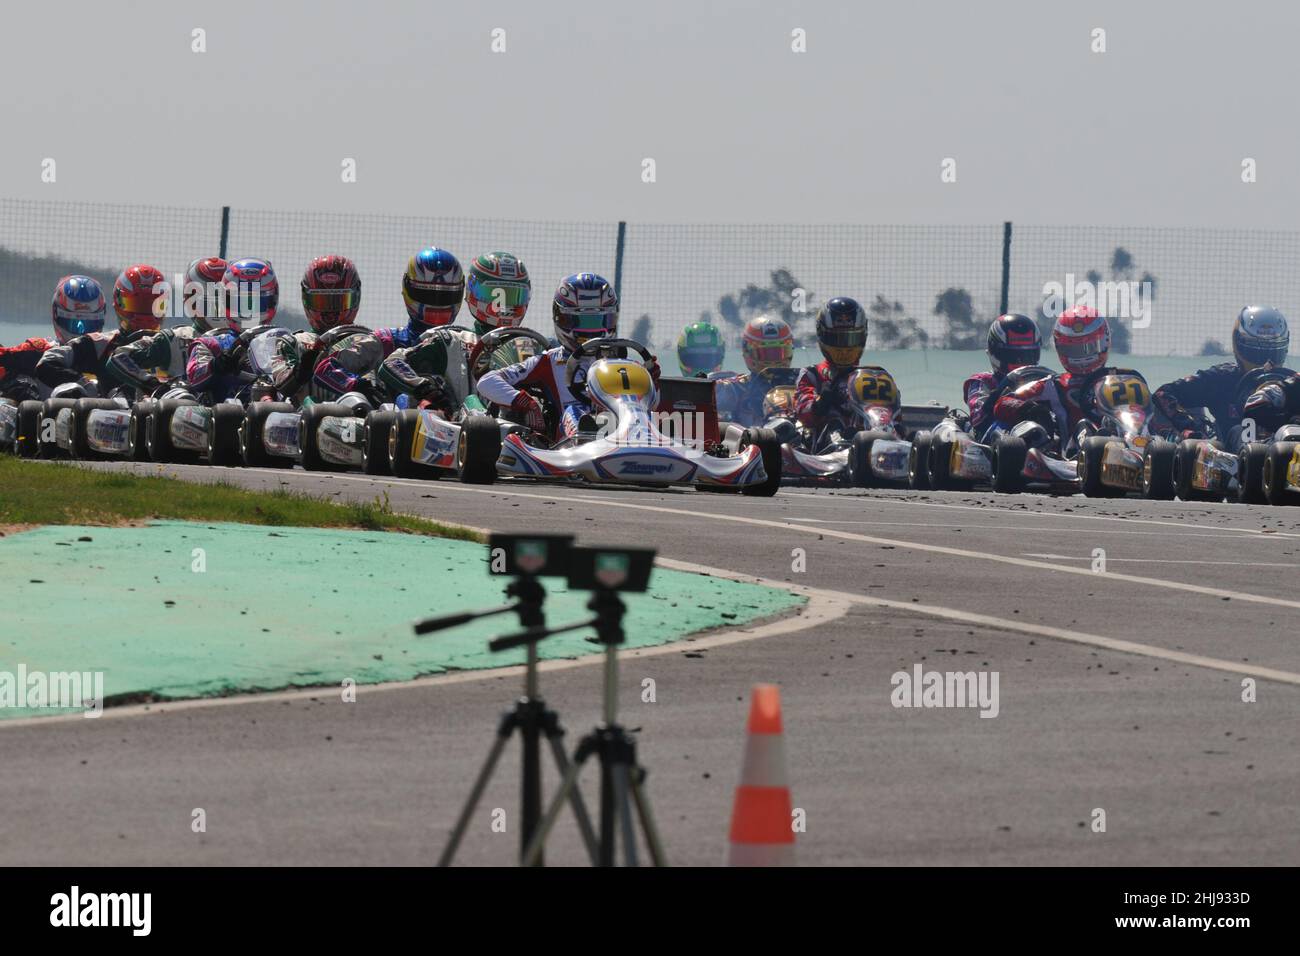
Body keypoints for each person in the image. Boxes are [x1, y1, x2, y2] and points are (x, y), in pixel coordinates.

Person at [476, 272, 659, 439]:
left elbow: (651, 405)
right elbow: (487, 382)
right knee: (575, 412)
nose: (590, 331)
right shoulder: (549, 361)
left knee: (649, 414)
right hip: (567, 442)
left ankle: (655, 442)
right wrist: (524, 401)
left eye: (598, 320)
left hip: (624, 430)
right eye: (581, 321)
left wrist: (650, 384)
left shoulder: (625, 365)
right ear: (561, 318)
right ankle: (584, 437)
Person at [378, 251, 530, 410]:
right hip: (463, 426)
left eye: (514, 296)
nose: (503, 305)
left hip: (528, 426)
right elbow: (392, 363)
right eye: (494, 295)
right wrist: (425, 389)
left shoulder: (536, 347)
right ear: (472, 292)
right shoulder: (451, 341)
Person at [311, 247, 462, 402]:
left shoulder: (464, 343)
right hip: (394, 421)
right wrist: (358, 385)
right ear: (408, 290)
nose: (436, 304)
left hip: (461, 422)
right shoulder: (386, 340)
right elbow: (326, 368)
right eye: (427, 295)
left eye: (444, 296)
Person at [1152, 307, 1291, 443]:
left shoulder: (1292, 384)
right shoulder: (1221, 379)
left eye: (1273, 352)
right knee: (1238, 431)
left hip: (1287, 454)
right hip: (1229, 459)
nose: (1266, 362)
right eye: (1256, 352)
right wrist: (1190, 426)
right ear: (1239, 345)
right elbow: (1163, 393)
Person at [103, 257, 223, 395]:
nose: (218, 308)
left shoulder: (244, 341)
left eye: (227, 300)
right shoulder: (175, 339)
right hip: (189, 410)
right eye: (211, 302)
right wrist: (152, 385)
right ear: (192, 301)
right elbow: (118, 357)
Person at [36, 266, 165, 392]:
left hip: (167, 411)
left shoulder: (175, 342)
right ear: (119, 303)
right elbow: (47, 363)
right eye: (137, 305)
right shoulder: (98, 343)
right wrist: (84, 384)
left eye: (153, 306)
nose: (145, 314)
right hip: (112, 410)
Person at [185, 257, 279, 401]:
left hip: (279, 412)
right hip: (227, 413)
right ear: (224, 300)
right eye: (239, 302)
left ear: (272, 299)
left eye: (256, 303)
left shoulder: (283, 342)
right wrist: (216, 365)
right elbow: (195, 377)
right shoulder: (211, 344)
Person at [794, 296, 869, 431]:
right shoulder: (812, 375)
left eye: (852, 338)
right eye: (836, 338)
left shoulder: (872, 377)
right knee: (835, 424)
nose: (845, 348)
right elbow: (802, 411)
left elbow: (894, 415)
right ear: (822, 335)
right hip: (827, 443)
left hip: (868, 438)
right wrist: (820, 403)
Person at [962, 313, 1043, 436]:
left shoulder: (1043, 382)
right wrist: (999, 396)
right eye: (1013, 356)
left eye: (1027, 355)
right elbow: (978, 420)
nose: (1020, 362)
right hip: (995, 442)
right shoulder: (983, 381)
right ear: (995, 352)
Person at [714, 315, 795, 427]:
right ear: (748, 352)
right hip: (749, 442)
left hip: (796, 443)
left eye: (779, 353)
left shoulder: (803, 386)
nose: (773, 361)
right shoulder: (736, 388)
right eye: (766, 354)